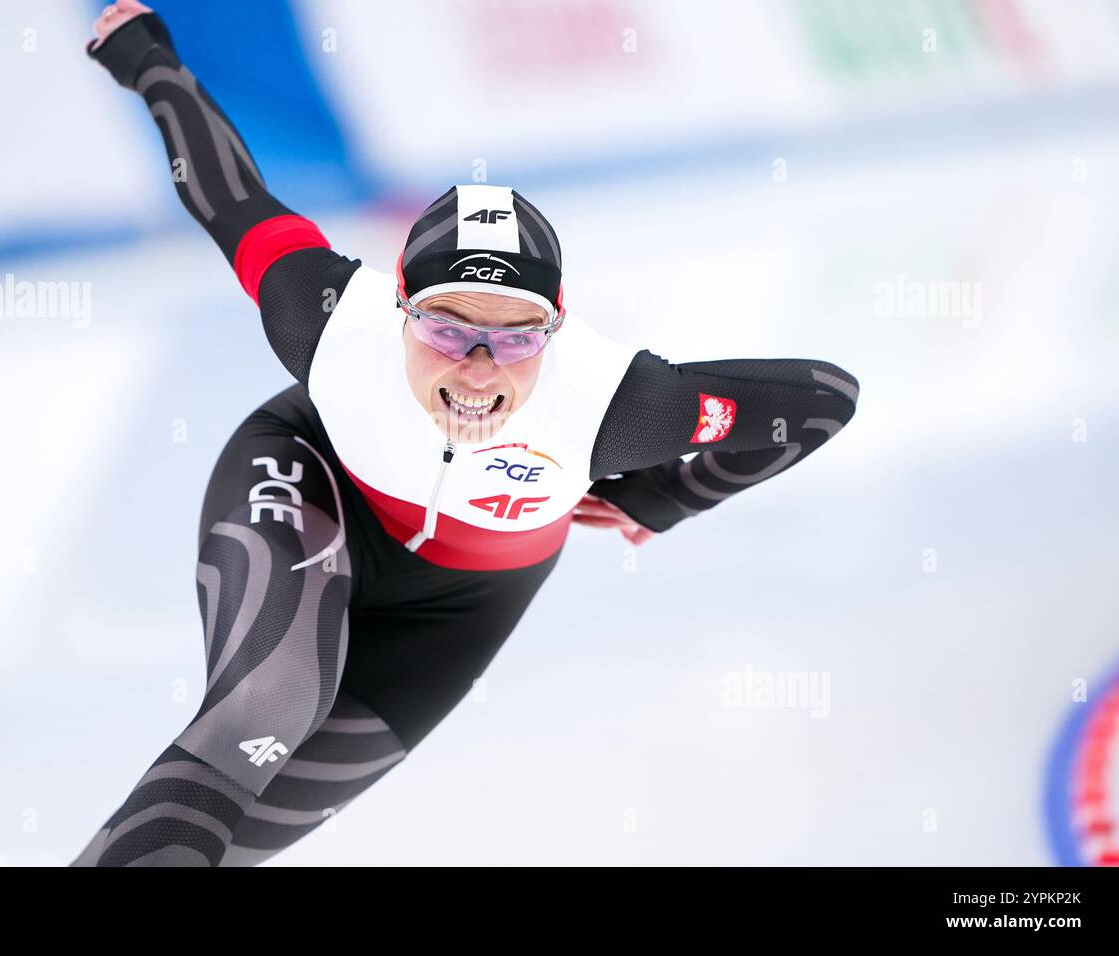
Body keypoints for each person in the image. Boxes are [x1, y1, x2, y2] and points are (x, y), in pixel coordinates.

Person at [72, 1, 859, 867]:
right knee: (264, 712)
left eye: (516, 337)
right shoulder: (327, 316)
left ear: (557, 330)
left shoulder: (618, 405)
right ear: (399, 310)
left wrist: (671, 497)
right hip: (312, 486)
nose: (480, 367)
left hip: (459, 609)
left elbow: (823, 399)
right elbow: (228, 195)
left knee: (233, 844)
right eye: (448, 328)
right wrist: (147, 56)